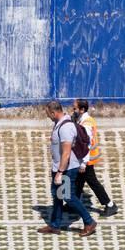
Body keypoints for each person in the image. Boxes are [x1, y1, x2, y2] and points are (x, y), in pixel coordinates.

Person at [38, 100, 96, 237]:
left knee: (68, 196)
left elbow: (66, 153)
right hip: (59, 167)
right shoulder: (59, 125)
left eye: (48, 114)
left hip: (67, 169)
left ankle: (89, 221)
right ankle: (55, 225)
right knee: (57, 196)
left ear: (53, 112)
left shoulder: (66, 128)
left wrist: (59, 172)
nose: (48, 116)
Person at [72, 99, 118, 217]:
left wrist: (83, 163)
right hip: (86, 158)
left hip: (87, 159)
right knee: (79, 181)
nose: (73, 110)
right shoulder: (84, 120)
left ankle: (110, 204)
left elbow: (86, 143)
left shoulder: (86, 124)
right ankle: (74, 204)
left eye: (75, 108)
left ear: (82, 110)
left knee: (93, 182)